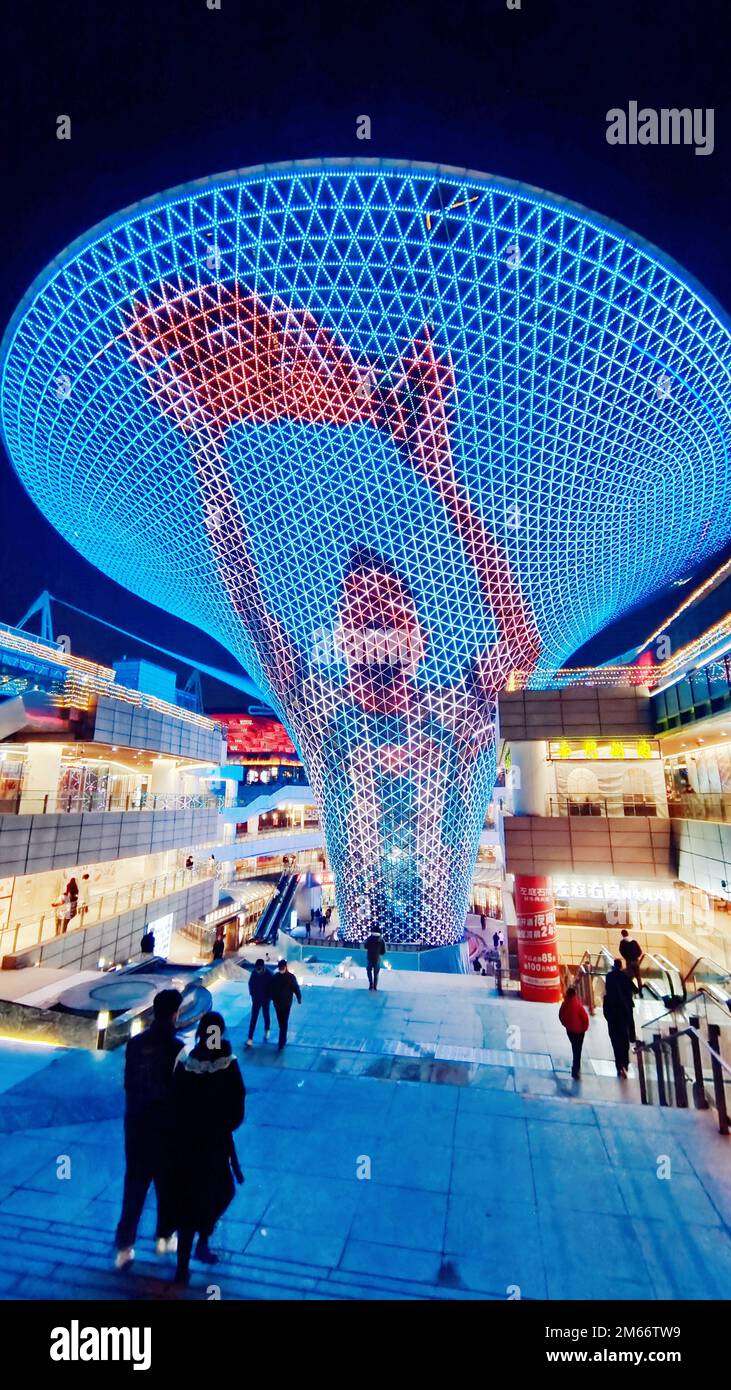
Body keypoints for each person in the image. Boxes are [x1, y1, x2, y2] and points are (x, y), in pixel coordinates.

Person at [172, 1011, 245, 1284]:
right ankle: (202, 1239)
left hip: (188, 1144)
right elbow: (237, 1107)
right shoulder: (227, 1065)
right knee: (221, 1191)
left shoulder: (187, 1064)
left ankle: (184, 1264)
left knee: (190, 1200)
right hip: (213, 1144)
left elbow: (176, 1102)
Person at [114, 988, 184, 1270]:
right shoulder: (177, 1048)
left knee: (134, 1189)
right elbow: (181, 1094)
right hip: (165, 1131)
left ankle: (124, 1247)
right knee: (167, 1187)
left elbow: (129, 1083)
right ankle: (164, 1238)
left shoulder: (135, 1044)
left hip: (136, 1127)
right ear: (175, 1013)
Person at [603, 959, 635, 1078]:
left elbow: (606, 1012)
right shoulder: (624, 978)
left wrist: (609, 1018)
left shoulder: (609, 979)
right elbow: (633, 989)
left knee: (616, 1044)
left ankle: (619, 1066)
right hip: (623, 1018)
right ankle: (625, 1064)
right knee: (624, 1042)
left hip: (613, 1020)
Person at [269, 959, 302, 1050]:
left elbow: (296, 988)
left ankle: (281, 1040)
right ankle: (283, 1039)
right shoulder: (277, 977)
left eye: (282, 967)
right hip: (279, 1004)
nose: (281, 969)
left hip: (285, 1004)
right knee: (282, 1022)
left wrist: (299, 997)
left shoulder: (289, 977)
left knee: (283, 1022)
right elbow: (271, 989)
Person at [559, 986, 590, 1080]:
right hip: (579, 1032)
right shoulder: (577, 1005)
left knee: (575, 1048)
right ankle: (576, 1069)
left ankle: (575, 1069)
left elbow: (560, 1015)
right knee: (578, 1050)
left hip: (570, 1031)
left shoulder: (565, 1004)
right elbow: (585, 1018)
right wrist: (584, 1028)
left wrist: (566, 1025)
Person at [246, 959, 272, 1047]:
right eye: (257, 968)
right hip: (256, 999)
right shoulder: (254, 973)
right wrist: (252, 994)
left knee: (266, 1015)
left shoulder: (269, 974)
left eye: (259, 969)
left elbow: (272, 986)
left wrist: (269, 996)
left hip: (265, 999)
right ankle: (250, 1038)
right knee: (254, 1018)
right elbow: (250, 984)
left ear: (263, 967)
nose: (258, 970)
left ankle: (267, 1030)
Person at [619, 929, 644, 996]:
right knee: (638, 977)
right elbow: (640, 951)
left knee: (629, 977)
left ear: (622, 935)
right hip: (636, 961)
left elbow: (621, 951)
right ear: (627, 933)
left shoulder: (623, 942)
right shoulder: (634, 941)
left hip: (629, 961)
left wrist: (627, 958)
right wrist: (636, 956)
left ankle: (631, 991)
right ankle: (640, 991)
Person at [364, 926, 386, 990]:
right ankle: (375, 986)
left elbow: (365, 946)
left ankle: (371, 984)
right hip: (377, 958)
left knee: (369, 971)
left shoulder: (369, 938)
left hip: (370, 957)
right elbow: (383, 951)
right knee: (376, 973)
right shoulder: (381, 940)